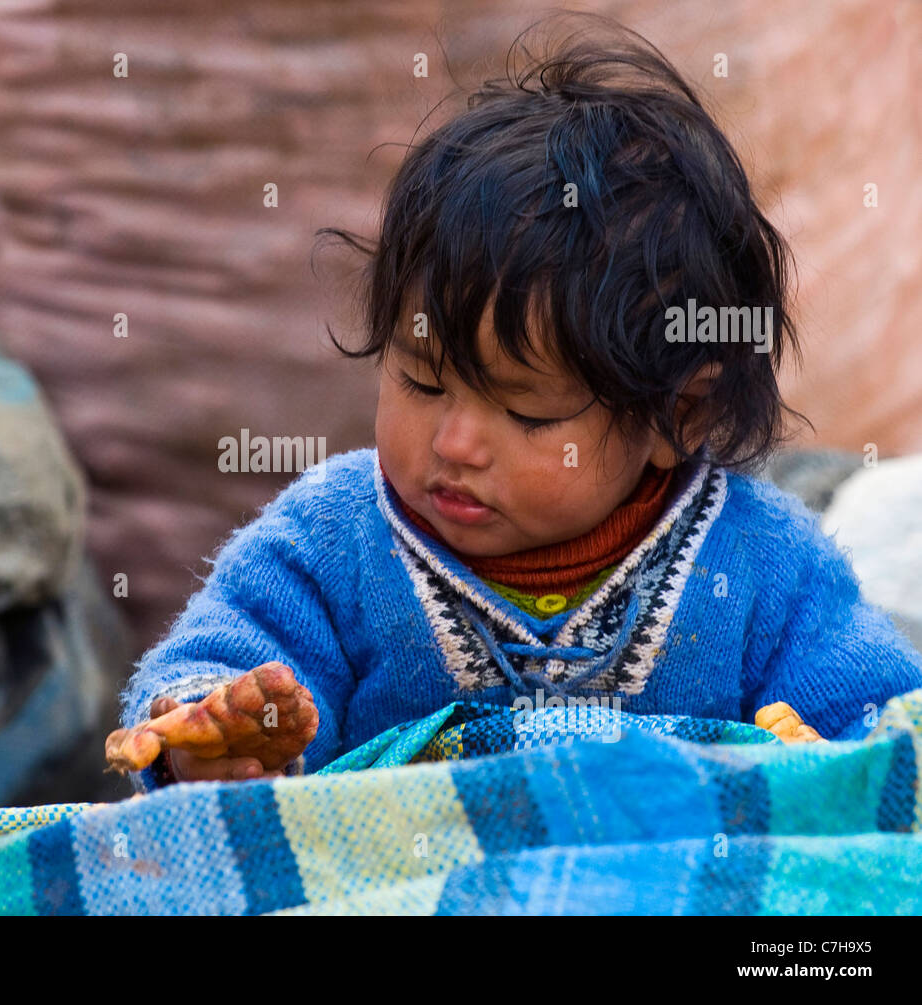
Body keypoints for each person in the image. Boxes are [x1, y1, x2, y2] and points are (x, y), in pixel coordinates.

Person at [112, 14, 922, 789]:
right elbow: (215, 664)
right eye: (424, 381)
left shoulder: (761, 564)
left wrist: (839, 759)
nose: (456, 442)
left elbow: (878, 731)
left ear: (682, 416)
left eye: (528, 412)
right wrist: (215, 735)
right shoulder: (331, 541)